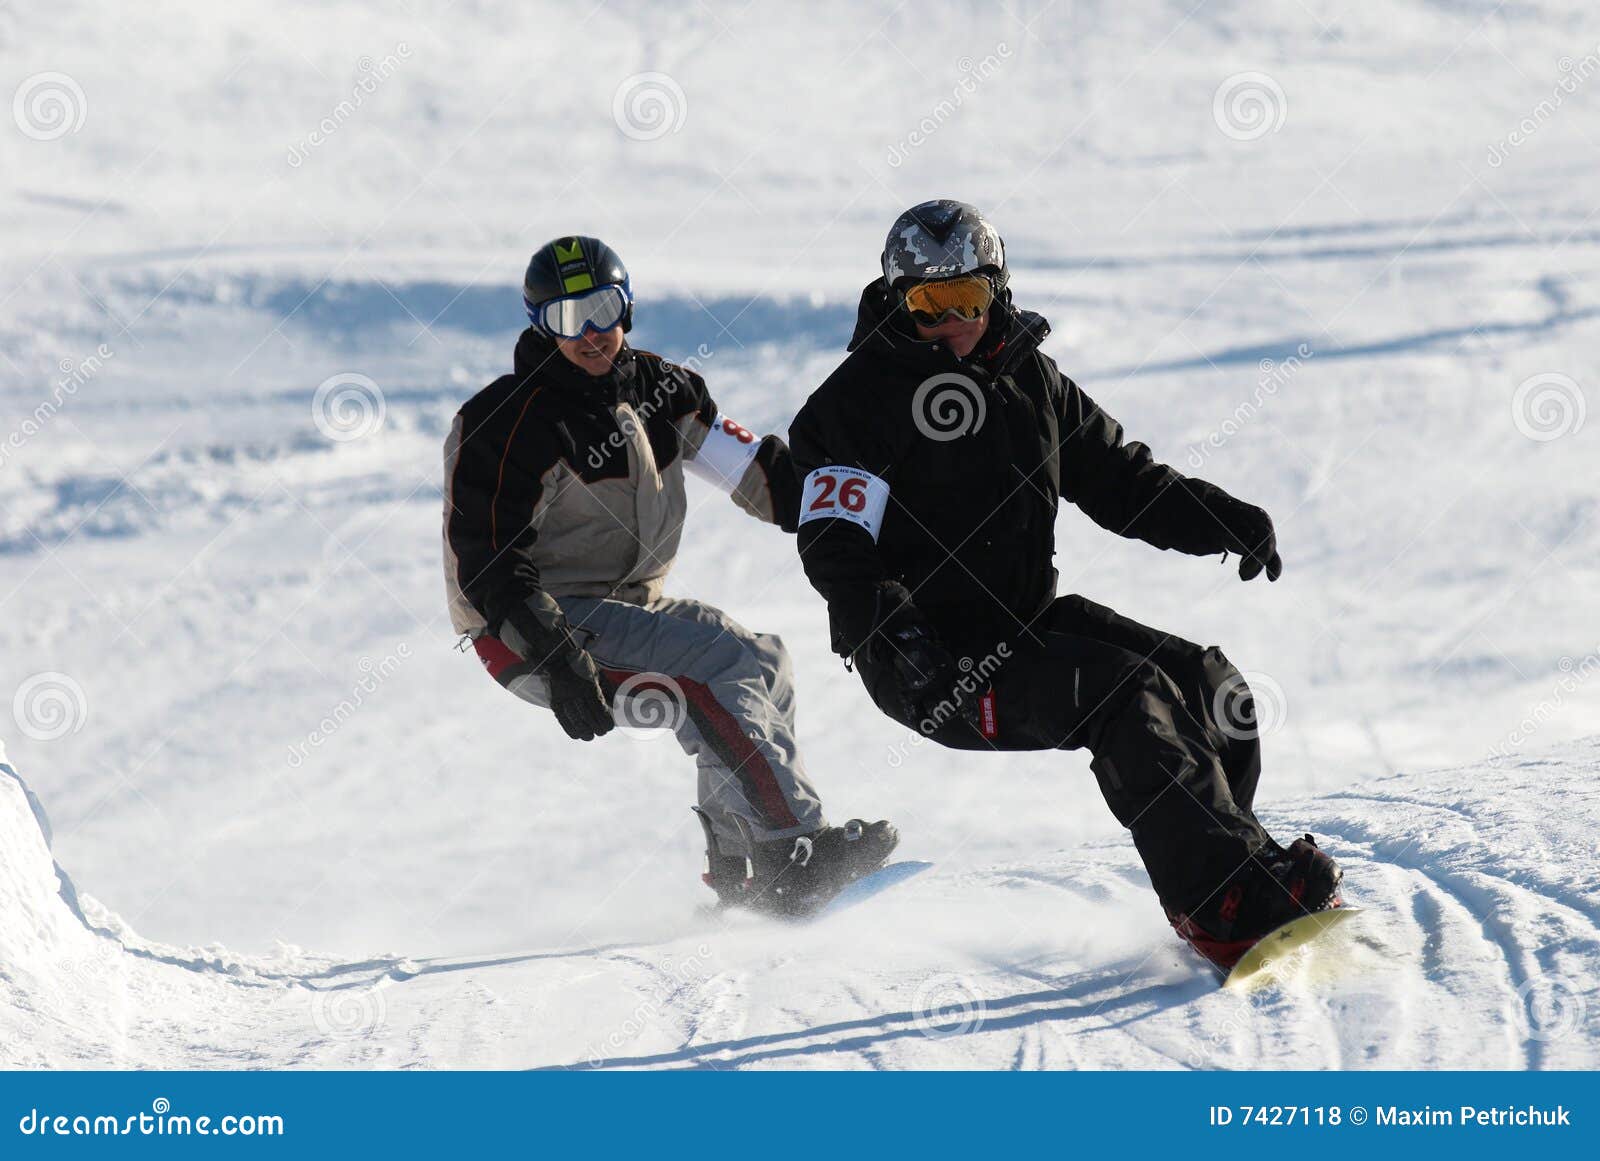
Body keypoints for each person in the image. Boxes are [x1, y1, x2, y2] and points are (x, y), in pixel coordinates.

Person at [787, 200, 1341, 967]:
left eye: (966, 300)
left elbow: (1121, 478)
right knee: (1124, 694)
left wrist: (1220, 517)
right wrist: (892, 630)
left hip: (1024, 623)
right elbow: (835, 544)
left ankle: (1232, 869)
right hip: (933, 663)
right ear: (895, 300)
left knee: (1210, 683)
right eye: (926, 304)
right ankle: (1225, 900)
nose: (949, 321)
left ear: (997, 290)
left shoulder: (1031, 380)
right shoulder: (847, 409)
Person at [442, 235, 896, 916]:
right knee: (711, 663)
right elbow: (488, 559)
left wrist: (869, 517)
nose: (592, 334)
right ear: (540, 325)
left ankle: (743, 866)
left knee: (760, 660)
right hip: (528, 627)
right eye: (568, 320)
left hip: (625, 606)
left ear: (626, 305)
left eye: (603, 308)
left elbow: (761, 478)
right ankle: (793, 848)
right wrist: (556, 652)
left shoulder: (662, 390)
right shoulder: (506, 421)